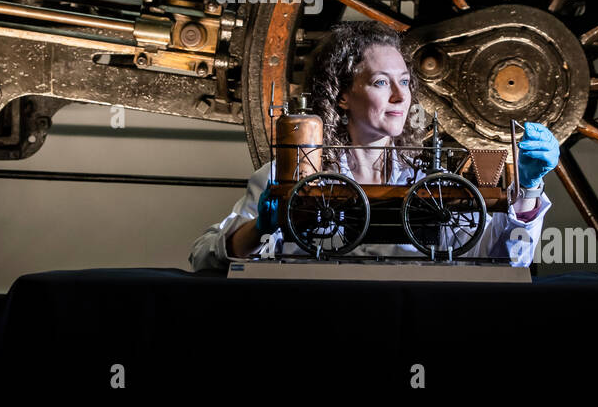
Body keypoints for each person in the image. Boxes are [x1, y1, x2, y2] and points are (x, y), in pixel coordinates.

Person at [189, 20, 559, 272]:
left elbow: (507, 262)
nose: (401, 96)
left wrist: (526, 190)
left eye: (404, 81)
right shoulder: (290, 176)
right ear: (343, 95)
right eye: (381, 83)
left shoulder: (435, 183)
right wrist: (262, 228)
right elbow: (203, 256)